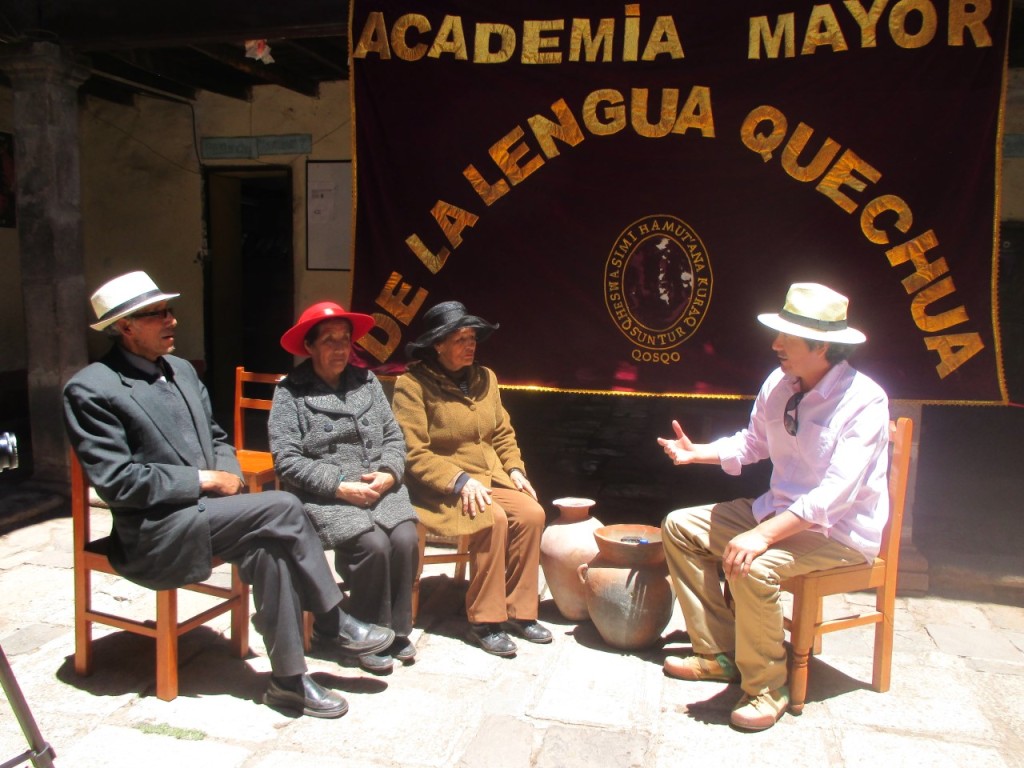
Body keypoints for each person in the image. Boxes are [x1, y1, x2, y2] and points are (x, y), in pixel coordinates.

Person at [63, 271, 396, 719]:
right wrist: (204, 480)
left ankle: (288, 683)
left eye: (170, 310)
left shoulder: (182, 371)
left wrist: (230, 477)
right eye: (158, 314)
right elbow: (118, 482)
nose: (172, 320)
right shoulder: (92, 389)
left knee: (270, 548)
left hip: (211, 516)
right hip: (157, 531)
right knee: (284, 505)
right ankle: (334, 620)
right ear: (126, 327)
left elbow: (218, 438)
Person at [657, 282, 889, 731]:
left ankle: (766, 687)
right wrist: (697, 453)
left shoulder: (865, 401)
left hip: (838, 533)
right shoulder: (779, 384)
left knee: (753, 565)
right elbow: (753, 443)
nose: (775, 344)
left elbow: (835, 495)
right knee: (680, 526)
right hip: (777, 511)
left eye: (787, 337)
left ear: (822, 346)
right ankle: (719, 652)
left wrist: (761, 535)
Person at [391, 301, 551, 656]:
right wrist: (459, 480)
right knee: (492, 518)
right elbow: (413, 452)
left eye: (473, 338)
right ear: (438, 344)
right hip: (440, 486)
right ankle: (484, 621)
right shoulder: (411, 385)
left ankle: (520, 611)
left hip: (489, 477)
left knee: (531, 514)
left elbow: (503, 434)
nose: (470, 345)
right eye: (460, 339)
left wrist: (515, 469)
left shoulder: (485, 378)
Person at [269, 301, 419, 675]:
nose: (339, 348)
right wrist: (339, 486)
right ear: (309, 346)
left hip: (378, 484)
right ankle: (363, 634)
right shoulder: (290, 392)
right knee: (373, 546)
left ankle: (397, 630)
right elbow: (286, 460)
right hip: (327, 494)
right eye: (329, 340)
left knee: (405, 539)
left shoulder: (366, 381)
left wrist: (390, 473)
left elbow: (394, 435)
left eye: (344, 340)